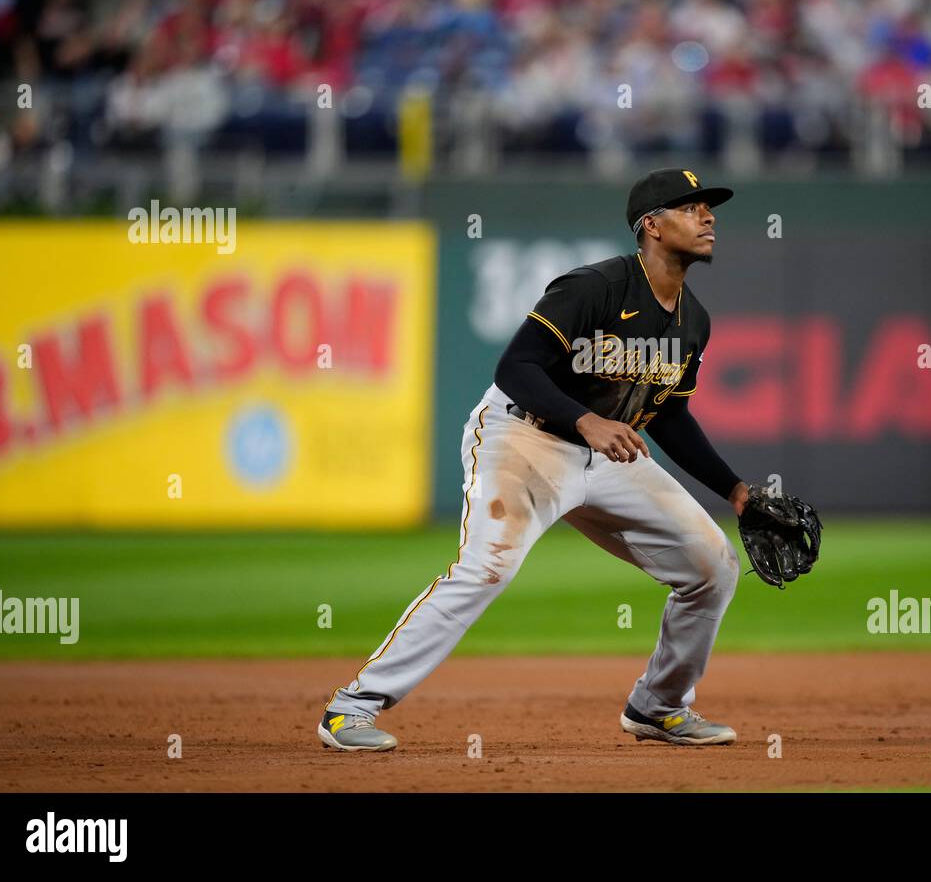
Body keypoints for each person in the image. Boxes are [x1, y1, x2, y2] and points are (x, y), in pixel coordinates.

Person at [319, 167, 750, 750]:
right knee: (488, 566)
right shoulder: (593, 287)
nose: (707, 216)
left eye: (709, 207)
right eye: (691, 206)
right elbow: (516, 368)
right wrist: (586, 420)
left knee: (713, 566)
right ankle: (352, 708)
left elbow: (669, 416)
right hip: (527, 437)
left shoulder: (692, 320)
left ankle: (659, 705)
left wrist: (735, 491)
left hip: (608, 453)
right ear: (650, 225)